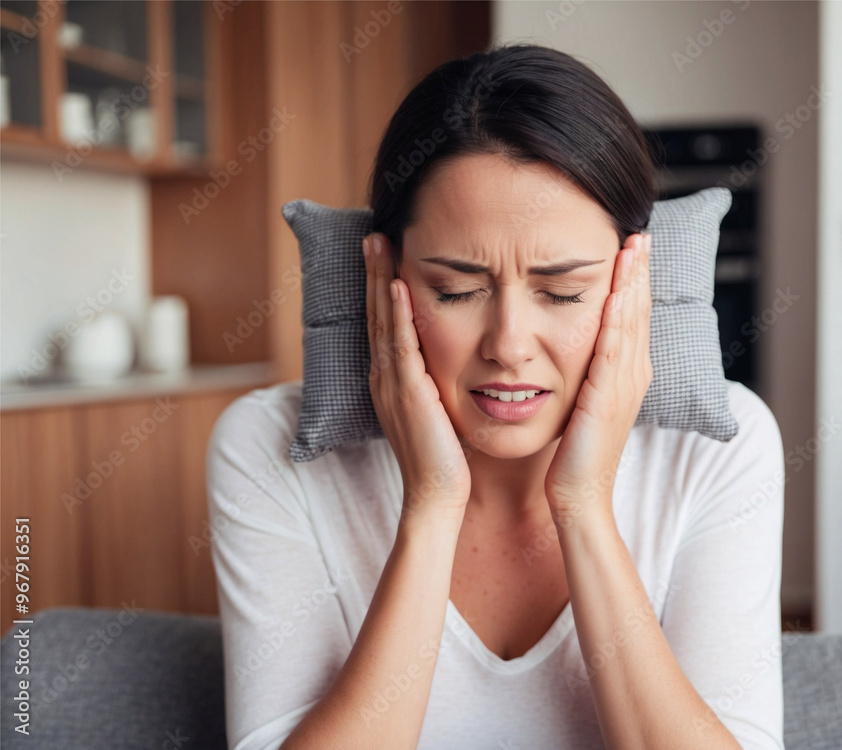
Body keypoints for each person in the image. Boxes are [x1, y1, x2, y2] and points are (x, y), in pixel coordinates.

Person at [208, 43, 785, 750]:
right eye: (456, 290)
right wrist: (430, 508)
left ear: (633, 285)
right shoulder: (265, 449)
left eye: (563, 292)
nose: (509, 345)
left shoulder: (718, 452)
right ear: (385, 278)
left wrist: (583, 508)